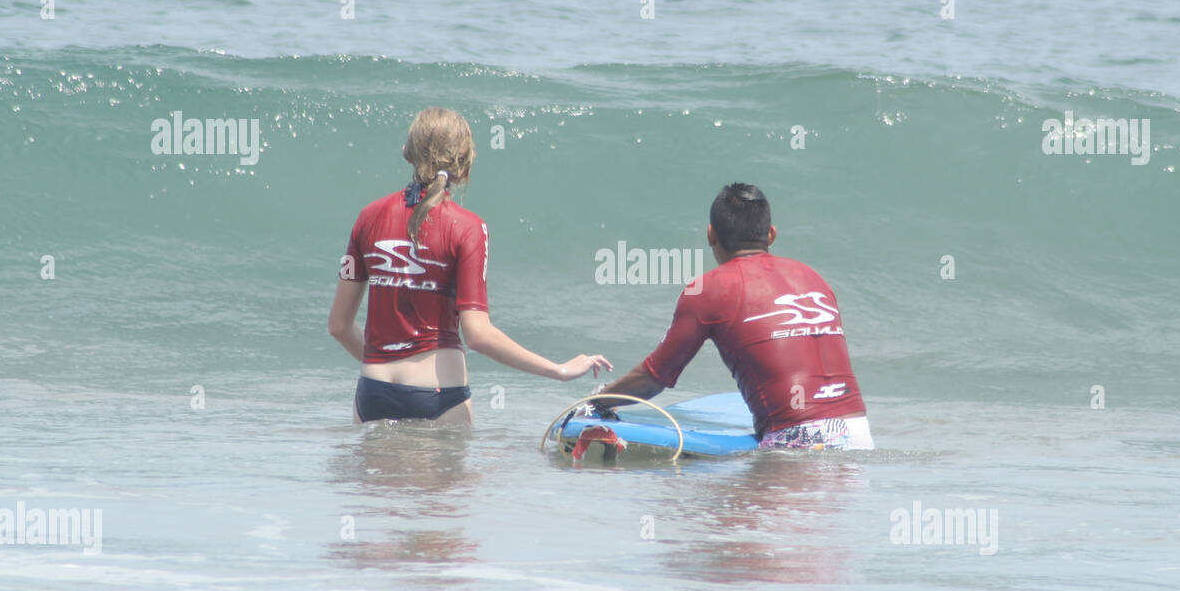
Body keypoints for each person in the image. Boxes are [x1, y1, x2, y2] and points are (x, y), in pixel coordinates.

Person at [329, 107, 611, 423]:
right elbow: (478, 335)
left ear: (407, 154)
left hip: (372, 393)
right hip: (437, 395)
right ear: (465, 161)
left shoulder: (369, 217)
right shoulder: (467, 227)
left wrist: (383, 366)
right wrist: (558, 370)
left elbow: (339, 326)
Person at [593, 183, 872, 450]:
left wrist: (600, 400)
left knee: (673, 498)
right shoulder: (814, 278)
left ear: (710, 234)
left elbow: (655, 378)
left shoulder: (709, 289)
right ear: (772, 234)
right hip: (859, 434)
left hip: (797, 440)